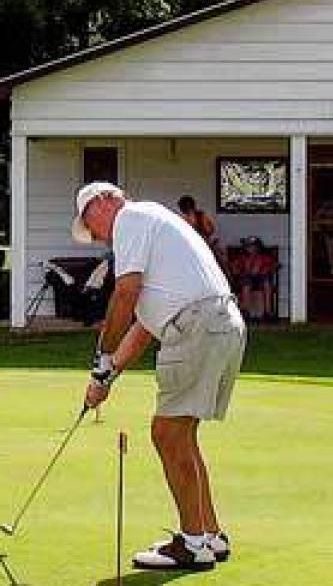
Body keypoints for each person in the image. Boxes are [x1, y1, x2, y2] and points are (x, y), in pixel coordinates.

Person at [75, 182, 245, 572]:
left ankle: (192, 544)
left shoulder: (131, 218)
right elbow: (145, 326)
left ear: (103, 203)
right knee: (181, 433)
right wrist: (106, 375)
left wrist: (101, 353)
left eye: (91, 225)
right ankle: (209, 534)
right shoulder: (155, 225)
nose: (98, 237)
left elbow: (125, 293)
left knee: (167, 433)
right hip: (221, 323)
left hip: (199, 324)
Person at [225, 237, 278, 321]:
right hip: (247, 278)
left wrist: (266, 270)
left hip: (261, 278)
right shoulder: (242, 257)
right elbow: (234, 267)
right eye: (248, 247)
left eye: (253, 246)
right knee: (246, 284)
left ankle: (267, 312)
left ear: (258, 247)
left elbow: (274, 265)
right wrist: (236, 270)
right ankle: (245, 311)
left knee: (267, 283)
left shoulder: (264, 257)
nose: (251, 249)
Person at [175, 195, 223, 267]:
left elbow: (211, 230)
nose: (181, 210)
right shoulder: (183, 219)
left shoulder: (200, 216)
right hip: (191, 247)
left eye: (182, 207)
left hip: (205, 246)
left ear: (188, 206)